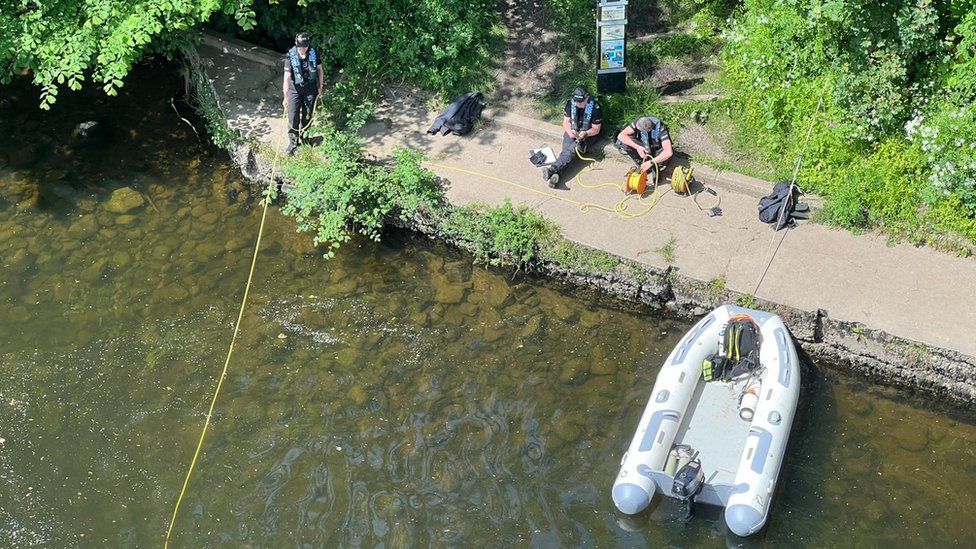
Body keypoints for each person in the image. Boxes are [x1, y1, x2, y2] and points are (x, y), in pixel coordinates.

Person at [542, 86, 603, 188]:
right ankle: (558, 175)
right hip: (573, 131)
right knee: (567, 151)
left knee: (571, 151)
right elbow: (566, 122)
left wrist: (585, 134)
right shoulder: (570, 103)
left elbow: (596, 129)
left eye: (581, 102)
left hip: (588, 135)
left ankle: (552, 169)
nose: (578, 104)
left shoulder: (596, 108)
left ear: (587, 98)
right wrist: (570, 132)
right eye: (577, 102)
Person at [282, 32, 324, 155]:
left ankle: (305, 138)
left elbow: (320, 70)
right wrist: (285, 97)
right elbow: (286, 78)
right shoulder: (290, 56)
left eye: (305, 46)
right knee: (293, 117)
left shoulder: (313, 53)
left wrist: (320, 87)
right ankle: (293, 143)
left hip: (310, 89)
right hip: (294, 90)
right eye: (300, 46)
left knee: (307, 115)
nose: (303, 49)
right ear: (296, 44)